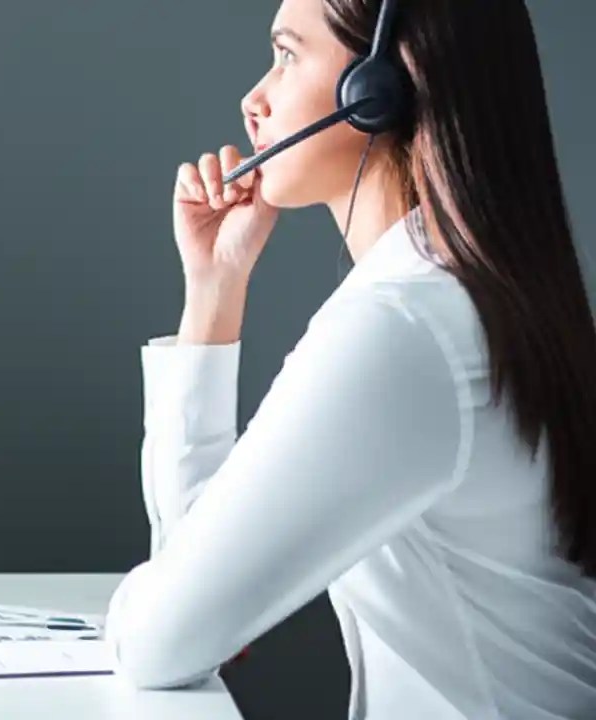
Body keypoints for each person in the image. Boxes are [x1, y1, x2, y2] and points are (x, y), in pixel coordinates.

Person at [102, 1, 596, 718]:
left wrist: (138, 607)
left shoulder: (405, 331)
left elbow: (160, 642)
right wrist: (214, 291)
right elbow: (201, 585)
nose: (254, 98)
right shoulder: (462, 303)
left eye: (288, 55)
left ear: (377, 89)